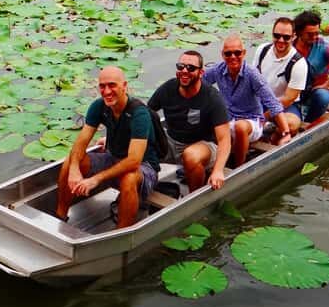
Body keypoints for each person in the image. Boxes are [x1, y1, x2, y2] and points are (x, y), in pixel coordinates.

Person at [55, 66, 160, 229]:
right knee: (71, 161)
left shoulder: (139, 114)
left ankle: (121, 234)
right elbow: (81, 142)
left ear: (124, 86)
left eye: (112, 85)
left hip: (143, 168)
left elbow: (133, 161)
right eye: (102, 86)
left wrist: (95, 179)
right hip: (113, 158)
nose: (106, 91)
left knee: (129, 178)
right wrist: (75, 169)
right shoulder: (99, 106)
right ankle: (60, 217)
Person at [148, 50, 231, 192]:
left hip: (203, 146)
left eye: (191, 68)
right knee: (140, 147)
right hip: (171, 141)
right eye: (181, 67)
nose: (184, 71)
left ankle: (194, 196)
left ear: (201, 73)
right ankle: (144, 190)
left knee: (191, 155)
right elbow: (144, 114)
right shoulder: (168, 88)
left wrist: (218, 170)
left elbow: (224, 139)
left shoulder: (212, 97)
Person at [204, 34, 291, 166]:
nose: (233, 57)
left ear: (243, 53)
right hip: (228, 118)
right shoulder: (218, 70)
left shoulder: (252, 74)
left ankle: (238, 166)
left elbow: (273, 103)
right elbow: (199, 83)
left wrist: (286, 132)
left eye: (237, 53)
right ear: (223, 55)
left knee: (240, 127)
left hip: (251, 120)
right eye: (228, 54)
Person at [252, 17, 308, 136]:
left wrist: (262, 118)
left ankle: (271, 135)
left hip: (285, 105)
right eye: (277, 36)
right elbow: (252, 78)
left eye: (286, 37)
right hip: (260, 100)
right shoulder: (262, 50)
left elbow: (288, 99)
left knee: (292, 124)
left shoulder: (299, 63)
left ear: (294, 37)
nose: (281, 40)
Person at [293, 10, 329, 123]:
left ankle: (309, 123)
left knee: (323, 97)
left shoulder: (323, 47)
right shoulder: (289, 46)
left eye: (317, 33)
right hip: (293, 89)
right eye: (310, 34)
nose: (315, 37)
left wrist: (328, 83)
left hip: (316, 89)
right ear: (299, 32)